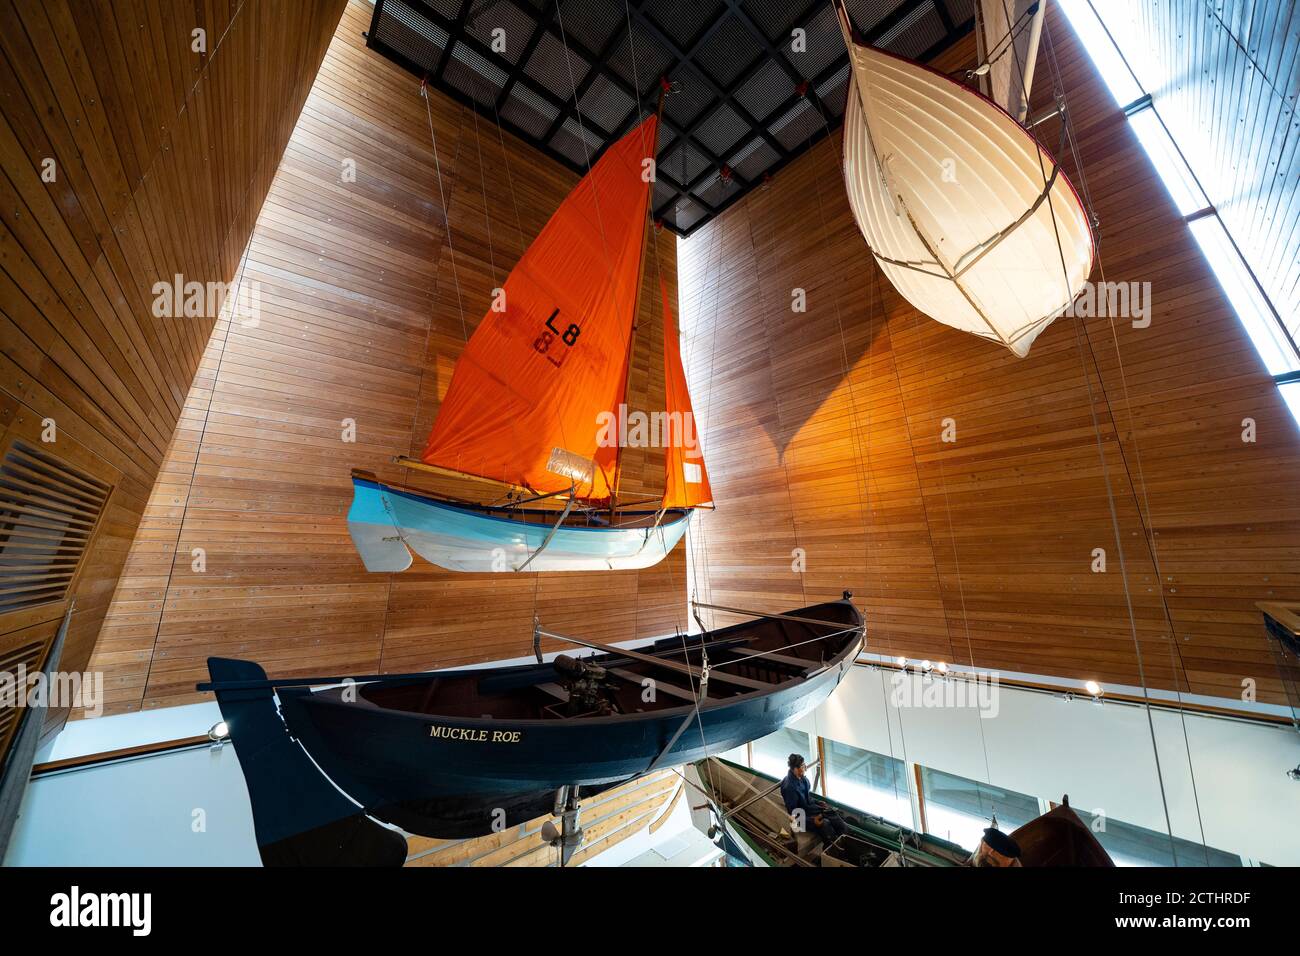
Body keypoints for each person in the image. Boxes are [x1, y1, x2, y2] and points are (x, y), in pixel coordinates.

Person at [779, 753, 846, 845]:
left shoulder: (802, 778)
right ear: (795, 769)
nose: (805, 768)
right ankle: (833, 848)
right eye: (803, 766)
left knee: (835, 814)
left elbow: (807, 798)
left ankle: (845, 839)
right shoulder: (789, 788)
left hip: (811, 810)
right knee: (825, 824)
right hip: (803, 819)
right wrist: (811, 820)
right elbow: (794, 814)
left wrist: (818, 802)